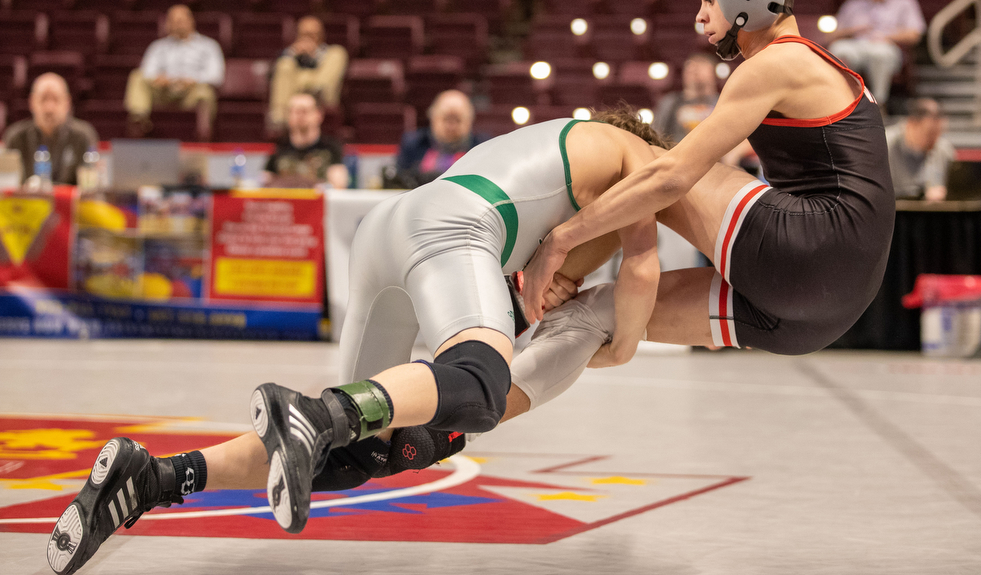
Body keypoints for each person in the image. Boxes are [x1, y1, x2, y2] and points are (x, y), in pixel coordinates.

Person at [47, 109, 683, 572]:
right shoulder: (640, 161)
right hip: (452, 230)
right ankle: (314, 412)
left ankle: (152, 478)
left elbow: (533, 275)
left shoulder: (559, 149)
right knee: (480, 388)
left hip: (390, 232)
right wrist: (622, 345)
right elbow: (642, 271)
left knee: (349, 454)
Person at [521, 0, 895, 364]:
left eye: (708, 0)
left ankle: (526, 286)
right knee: (589, 317)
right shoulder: (820, 65)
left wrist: (560, 241)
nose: (700, 16)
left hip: (811, 248)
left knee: (636, 159)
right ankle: (454, 423)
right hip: (829, 307)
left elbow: (668, 179)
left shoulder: (777, 63)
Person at [828, 0, 926, 108]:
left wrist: (888, 36)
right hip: (857, 45)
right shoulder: (853, 4)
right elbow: (832, 35)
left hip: (887, 46)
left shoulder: (904, 1)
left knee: (879, 54)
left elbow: (915, 34)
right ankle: (846, 103)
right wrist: (852, 30)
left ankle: (879, 104)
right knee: (838, 49)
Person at [124, 5, 225, 134]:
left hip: (191, 91)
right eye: (173, 21)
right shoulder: (158, 46)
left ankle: (203, 132)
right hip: (163, 91)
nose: (177, 25)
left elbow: (216, 76)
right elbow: (147, 71)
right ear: (167, 24)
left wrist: (193, 80)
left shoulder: (209, 46)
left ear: (191, 21)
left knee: (205, 92)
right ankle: (139, 122)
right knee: (137, 77)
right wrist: (158, 78)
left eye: (181, 21)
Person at [3, 73, 98, 186]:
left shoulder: (83, 135)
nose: (49, 108)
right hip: (28, 202)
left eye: (55, 99)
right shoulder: (16, 137)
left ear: (67, 103)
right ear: (32, 102)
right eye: (43, 99)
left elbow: (90, 186)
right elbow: (8, 184)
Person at [390, 90, 487, 188]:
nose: (451, 126)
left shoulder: (483, 148)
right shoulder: (413, 143)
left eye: (458, 120)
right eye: (446, 119)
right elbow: (400, 182)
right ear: (433, 117)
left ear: (469, 121)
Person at [268, 16, 348, 128]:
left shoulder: (331, 53)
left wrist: (313, 55)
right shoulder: (288, 54)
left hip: (321, 99)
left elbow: (322, 84)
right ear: (297, 36)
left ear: (321, 36)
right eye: (305, 34)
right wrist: (293, 53)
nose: (309, 39)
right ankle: (279, 122)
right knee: (284, 65)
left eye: (313, 34)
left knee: (338, 52)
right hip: (292, 104)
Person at [262, 92, 350, 189]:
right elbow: (265, 183)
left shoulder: (331, 148)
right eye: (295, 111)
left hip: (317, 202)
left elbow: (339, 186)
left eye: (304, 111)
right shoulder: (279, 147)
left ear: (318, 114)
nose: (300, 116)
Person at [886, 97, 954, 201]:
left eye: (938, 133)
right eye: (930, 133)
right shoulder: (885, 144)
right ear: (911, 124)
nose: (934, 140)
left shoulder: (943, 149)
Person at [653, 52, 720, 144]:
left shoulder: (723, 102)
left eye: (701, 64)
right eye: (690, 66)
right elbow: (656, 134)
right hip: (677, 153)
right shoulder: (671, 102)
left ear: (713, 72)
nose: (695, 69)